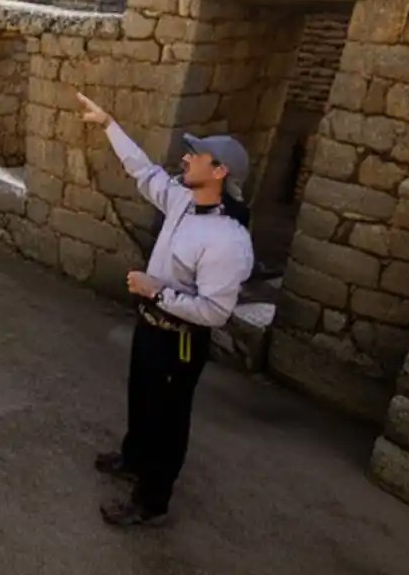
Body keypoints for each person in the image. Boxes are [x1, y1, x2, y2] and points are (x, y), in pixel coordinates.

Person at [76, 92, 254, 527]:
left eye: (197, 156)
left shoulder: (228, 240)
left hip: (180, 342)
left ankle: (151, 500)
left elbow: (213, 312)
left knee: (167, 419)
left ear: (220, 171)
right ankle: (134, 459)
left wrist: (156, 292)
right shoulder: (181, 199)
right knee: (141, 398)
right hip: (151, 328)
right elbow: (143, 170)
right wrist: (108, 124)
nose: (186, 159)